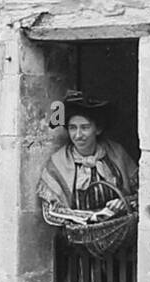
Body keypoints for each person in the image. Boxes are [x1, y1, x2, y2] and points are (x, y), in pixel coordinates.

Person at [38, 91, 138, 227]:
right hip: (75, 241)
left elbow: (143, 193)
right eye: (73, 128)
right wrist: (91, 218)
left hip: (117, 234)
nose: (78, 135)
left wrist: (124, 202)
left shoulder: (117, 154)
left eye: (85, 127)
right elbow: (50, 212)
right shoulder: (58, 162)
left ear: (98, 129)